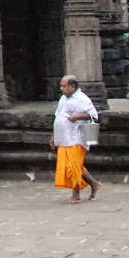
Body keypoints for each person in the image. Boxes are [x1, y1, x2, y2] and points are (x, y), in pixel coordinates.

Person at [50, 74, 102, 204]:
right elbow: (58, 117)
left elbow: (94, 115)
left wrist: (77, 117)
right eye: (61, 86)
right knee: (71, 166)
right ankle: (94, 184)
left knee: (73, 166)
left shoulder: (82, 99)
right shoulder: (63, 98)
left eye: (64, 86)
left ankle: (76, 194)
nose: (62, 89)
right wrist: (53, 136)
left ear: (72, 86)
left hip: (76, 137)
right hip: (63, 137)